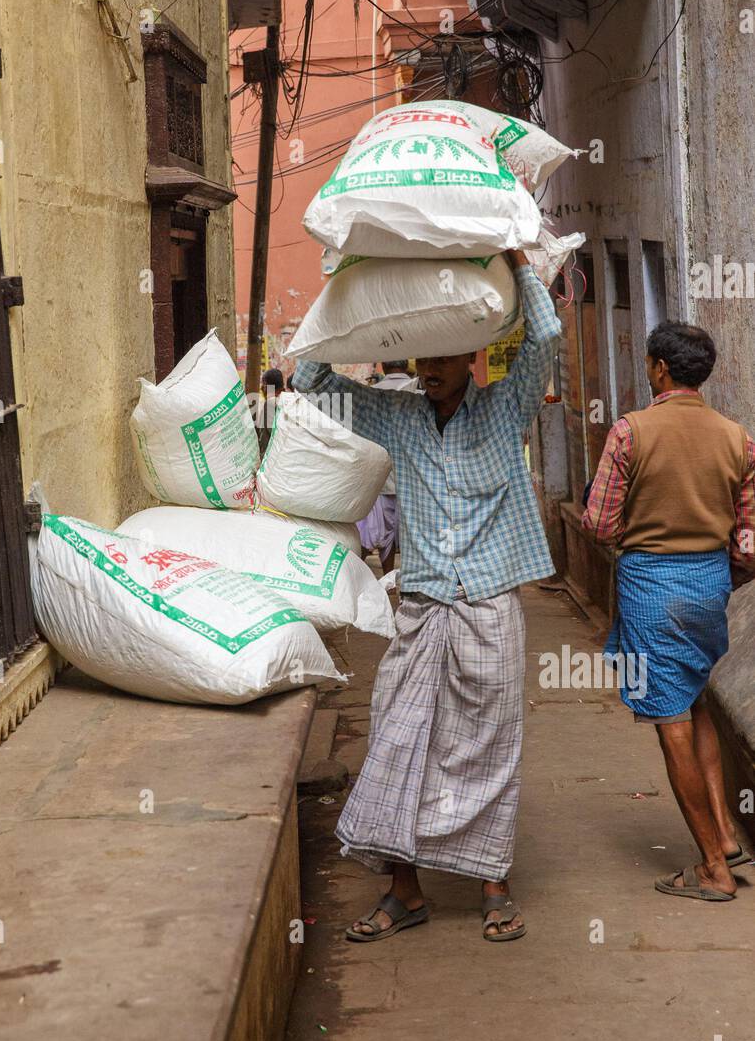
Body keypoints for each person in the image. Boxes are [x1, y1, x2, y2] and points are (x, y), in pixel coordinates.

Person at [293, 250, 560, 943]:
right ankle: (403, 891)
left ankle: (493, 886)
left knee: (486, 745)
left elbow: (547, 339)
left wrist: (516, 262)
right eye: (422, 360)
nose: (431, 370)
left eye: (444, 357)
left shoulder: (506, 409)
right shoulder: (398, 418)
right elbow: (310, 381)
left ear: (472, 355)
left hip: (489, 606)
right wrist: (342, 290)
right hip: (421, 606)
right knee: (396, 740)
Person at [582, 321, 755, 902]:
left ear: (658, 367)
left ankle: (712, 868)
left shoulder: (631, 432)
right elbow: (749, 543)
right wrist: (718, 574)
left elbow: (599, 524)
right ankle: (726, 837)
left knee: (670, 722)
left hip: (650, 588)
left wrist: (646, 541)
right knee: (695, 698)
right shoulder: (738, 438)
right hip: (711, 586)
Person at [356, 360, 418, 575]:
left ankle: (371, 573)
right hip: (412, 478)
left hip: (379, 476)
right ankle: (395, 577)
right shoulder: (419, 392)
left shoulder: (371, 394)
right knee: (405, 534)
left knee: (372, 531)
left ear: (383, 367)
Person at [257, 367, 285, 455]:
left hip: (271, 458)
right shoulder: (285, 400)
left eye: (263, 384)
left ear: (266, 385)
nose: (262, 388)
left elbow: (274, 432)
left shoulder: (270, 404)